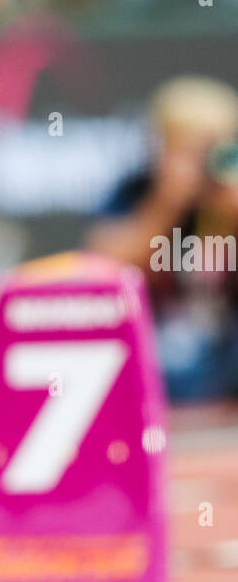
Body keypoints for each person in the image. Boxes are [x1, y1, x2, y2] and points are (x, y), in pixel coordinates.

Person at [89, 77, 238, 403]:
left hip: (225, 346)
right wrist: (168, 202)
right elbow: (102, 266)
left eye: (213, 149)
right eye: (187, 148)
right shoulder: (137, 191)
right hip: (158, 341)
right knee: (169, 366)